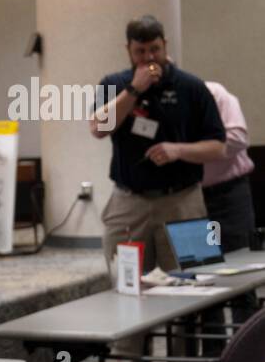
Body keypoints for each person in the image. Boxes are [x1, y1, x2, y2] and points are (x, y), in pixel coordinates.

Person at [88, 15, 226, 273]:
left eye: (155, 49)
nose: (149, 57)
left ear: (165, 45)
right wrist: (134, 90)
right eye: (140, 51)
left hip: (183, 201)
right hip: (129, 202)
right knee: (127, 286)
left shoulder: (192, 87)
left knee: (196, 282)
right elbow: (98, 128)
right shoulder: (114, 84)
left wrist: (178, 150)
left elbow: (219, 147)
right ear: (128, 50)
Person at [201, 81, 256, 253]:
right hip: (188, 198)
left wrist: (186, 150)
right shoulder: (120, 86)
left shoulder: (213, 93)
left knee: (239, 258)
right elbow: (113, 126)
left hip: (228, 194)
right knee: (200, 264)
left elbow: (238, 139)